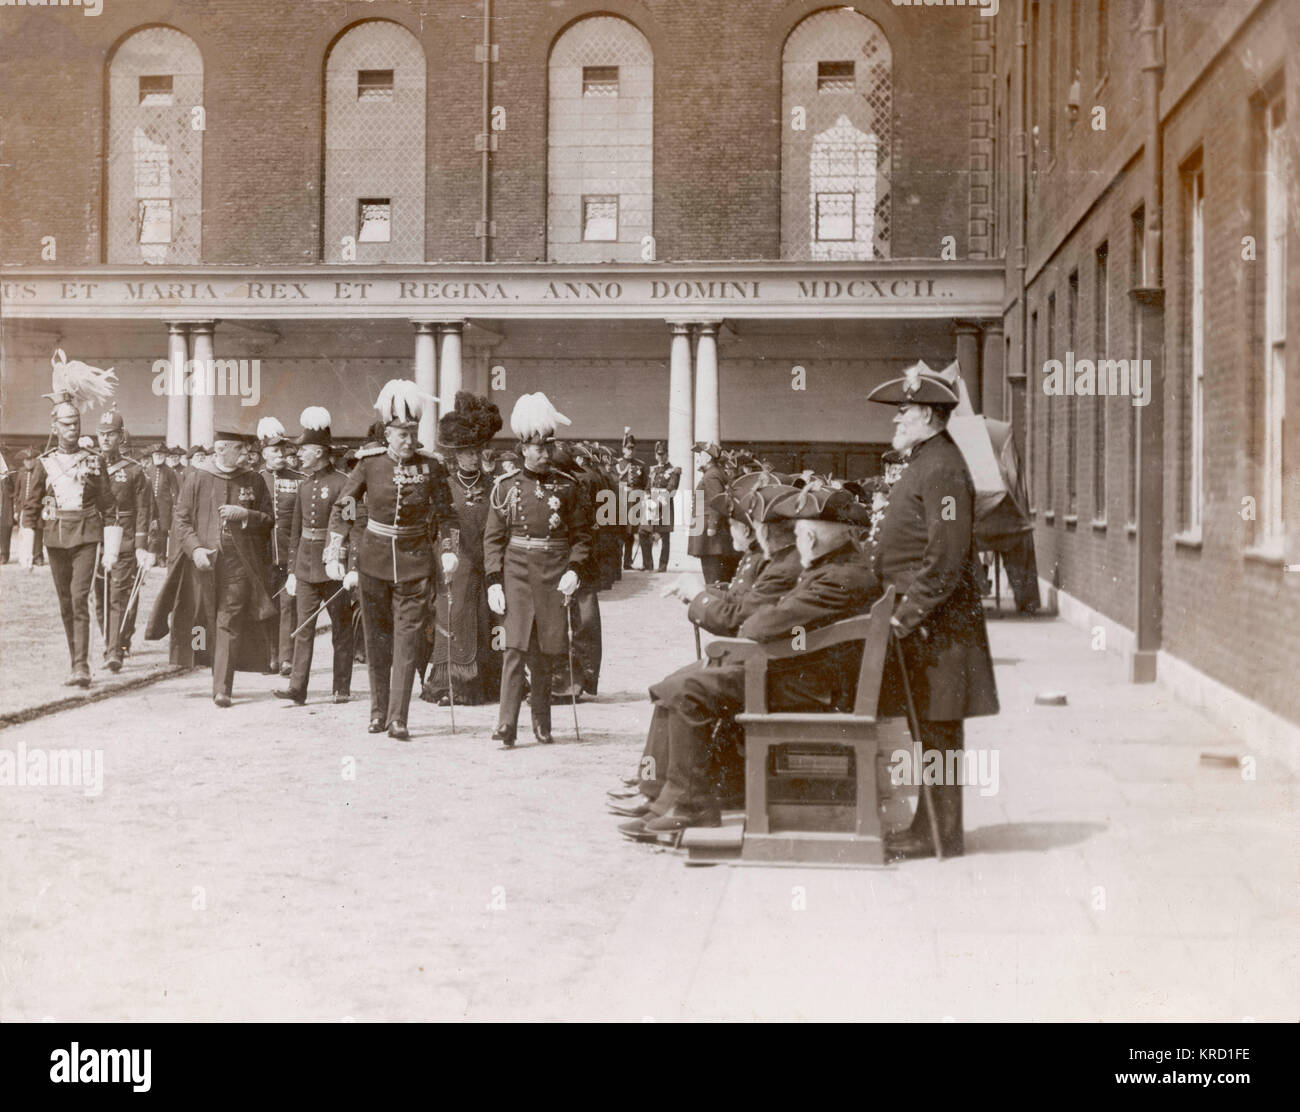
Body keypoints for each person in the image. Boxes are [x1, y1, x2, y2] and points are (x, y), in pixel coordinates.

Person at [620, 485, 881, 841]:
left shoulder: (836, 578)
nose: (795, 541)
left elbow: (759, 624)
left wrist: (763, 621)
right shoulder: (836, 568)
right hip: (804, 675)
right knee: (680, 685)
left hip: (810, 687)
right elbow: (770, 618)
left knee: (688, 690)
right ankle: (668, 796)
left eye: (800, 535)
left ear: (811, 539)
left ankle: (691, 804)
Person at [866, 360, 1000, 861]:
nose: (895, 421)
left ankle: (940, 835)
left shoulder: (941, 466)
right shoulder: (930, 460)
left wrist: (906, 617)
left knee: (939, 734)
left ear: (927, 415)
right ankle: (931, 828)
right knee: (930, 732)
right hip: (930, 629)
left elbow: (945, 556)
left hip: (939, 631)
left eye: (903, 412)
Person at [612, 474, 801, 819]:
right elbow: (742, 604)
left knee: (678, 689)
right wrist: (705, 597)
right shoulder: (778, 561)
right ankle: (655, 786)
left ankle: (673, 796)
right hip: (767, 659)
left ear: (758, 528)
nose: (732, 532)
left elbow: (740, 617)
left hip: (771, 667)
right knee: (670, 686)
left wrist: (700, 598)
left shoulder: (781, 565)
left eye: (735, 524)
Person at [326, 380, 454, 740]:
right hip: (374, 562)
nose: (409, 442)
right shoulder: (370, 465)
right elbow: (345, 507)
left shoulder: (433, 467)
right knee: (378, 640)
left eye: (413, 433)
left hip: (415, 563)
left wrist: (448, 549)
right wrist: (335, 550)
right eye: (402, 434)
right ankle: (378, 711)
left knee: (408, 641)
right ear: (387, 433)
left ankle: (399, 718)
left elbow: (447, 515)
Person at [483, 393, 592, 747]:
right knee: (514, 648)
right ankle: (506, 724)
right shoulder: (505, 487)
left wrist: (575, 568)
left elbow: (582, 535)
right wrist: (493, 581)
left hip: (553, 575)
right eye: (538, 448)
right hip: (516, 574)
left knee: (546, 650)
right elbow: (494, 539)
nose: (545, 454)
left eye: (549, 446)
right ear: (523, 448)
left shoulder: (569, 486)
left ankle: (542, 722)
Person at [147, 430, 276, 706]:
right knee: (203, 620)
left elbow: (268, 520)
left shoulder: (254, 479)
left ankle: (222, 688)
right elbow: (180, 520)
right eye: (240, 448)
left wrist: (246, 516)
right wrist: (194, 550)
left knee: (228, 620)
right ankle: (211, 671)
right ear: (222, 448)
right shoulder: (197, 477)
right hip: (204, 564)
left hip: (240, 564)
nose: (247, 454)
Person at [17, 354, 118, 686]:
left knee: (78, 598)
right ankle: (75, 660)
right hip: (56, 538)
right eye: (66, 423)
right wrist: (26, 550)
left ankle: (81, 666)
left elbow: (109, 505)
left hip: (87, 536)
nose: (72, 428)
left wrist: (112, 547)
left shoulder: (94, 461)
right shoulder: (44, 464)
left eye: (76, 422)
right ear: (54, 426)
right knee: (64, 602)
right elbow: (30, 507)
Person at [422, 391, 503, 707]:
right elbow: (438, 526)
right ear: (455, 455)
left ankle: (488, 683)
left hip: (488, 565)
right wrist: (446, 554)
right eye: (466, 453)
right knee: (455, 619)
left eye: (476, 452)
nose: (471, 457)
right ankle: (448, 684)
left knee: (489, 621)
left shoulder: (494, 486)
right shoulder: (444, 487)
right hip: (455, 565)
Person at [275, 408, 356, 706]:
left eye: (304, 450)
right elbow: (296, 532)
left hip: (334, 567)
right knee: (303, 628)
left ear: (320, 452)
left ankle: (341, 686)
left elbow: (352, 526)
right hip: (307, 569)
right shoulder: (305, 485)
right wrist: (293, 572)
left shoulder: (344, 483)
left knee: (341, 629)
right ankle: (298, 687)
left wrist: (349, 567)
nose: (299, 456)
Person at [94, 410, 156, 671]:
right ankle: (114, 640)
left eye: (111, 434)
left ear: (121, 436)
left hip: (126, 537)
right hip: (95, 538)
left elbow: (145, 510)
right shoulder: (91, 466)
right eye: (102, 434)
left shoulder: (134, 470)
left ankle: (114, 649)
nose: (105, 439)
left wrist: (142, 545)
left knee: (119, 593)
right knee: (100, 595)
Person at [256, 417, 305, 677]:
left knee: (289, 605)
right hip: (263, 555)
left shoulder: (299, 479)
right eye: (275, 451)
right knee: (267, 606)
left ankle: (287, 657)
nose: (281, 455)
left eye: (283, 450)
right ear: (263, 453)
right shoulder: (254, 480)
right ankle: (271, 655)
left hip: (289, 553)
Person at [687, 440, 738, 586]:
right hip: (706, 523)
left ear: (707, 458)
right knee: (712, 565)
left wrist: (712, 526)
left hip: (708, 526)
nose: (697, 458)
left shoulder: (711, 475)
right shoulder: (714, 473)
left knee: (711, 567)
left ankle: (713, 595)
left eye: (699, 455)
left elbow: (717, 501)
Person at [639, 441, 681, 572]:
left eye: (663, 454)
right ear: (655, 455)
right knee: (643, 532)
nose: (661, 457)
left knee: (665, 537)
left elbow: (671, 488)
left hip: (665, 506)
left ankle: (662, 566)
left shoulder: (673, 471)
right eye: (658, 454)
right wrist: (647, 498)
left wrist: (659, 501)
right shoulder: (653, 470)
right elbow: (647, 487)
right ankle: (648, 564)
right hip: (651, 506)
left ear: (667, 455)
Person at [613, 428, 647, 570]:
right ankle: (617, 562)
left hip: (635, 502)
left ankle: (627, 562)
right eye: (628, 448)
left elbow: (644, 484)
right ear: (623, 449)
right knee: (620, 533)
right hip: (621, 502)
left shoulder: (640, 465)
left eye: (632, 448)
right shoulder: (617, 464)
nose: (630, 451)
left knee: (631, 533)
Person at [143, 442, 176, 568]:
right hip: (149, 505)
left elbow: (175, 490)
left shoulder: (169, 471)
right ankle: (151, 557)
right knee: (151, 531)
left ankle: (162, 558)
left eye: (161, 454)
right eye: (156, 454)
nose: (159, 456)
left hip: (164, 507)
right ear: (152, 455)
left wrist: (174, 507)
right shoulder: (147, 470)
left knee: (162, 532)